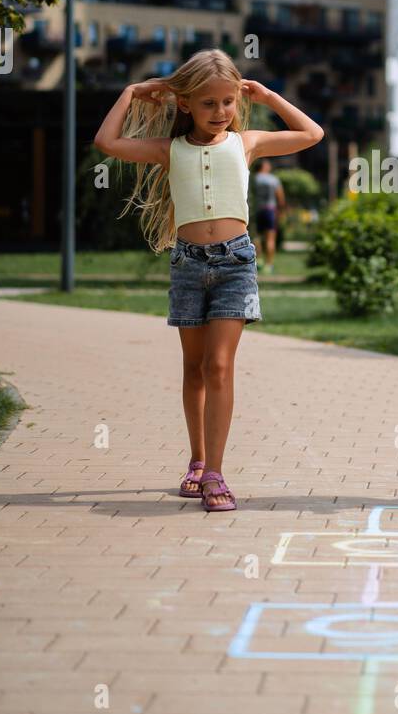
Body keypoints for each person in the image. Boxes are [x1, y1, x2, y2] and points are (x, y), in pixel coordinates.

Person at [93, 49, 323, 512]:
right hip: (188, 265)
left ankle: (216, 473)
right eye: (207, 104)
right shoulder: (169, 149)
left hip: (236, 264)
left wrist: (268, 95)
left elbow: (312, 133)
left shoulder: (247, 142)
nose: (220, 113)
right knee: (194, 369)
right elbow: (107, 142)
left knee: (219, 367)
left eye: (227, 102)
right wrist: (131, 92)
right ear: (184, 104)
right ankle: (197, 460)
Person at [249, 158, 286, 274]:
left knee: (256, 237)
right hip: (270, 210)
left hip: (256, 210)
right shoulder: (273, 179)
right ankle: (269, 265)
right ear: (264, 166)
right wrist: (281, 211)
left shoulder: (253, 178)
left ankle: (258, 260)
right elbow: (280, 197)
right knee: (270, 238)